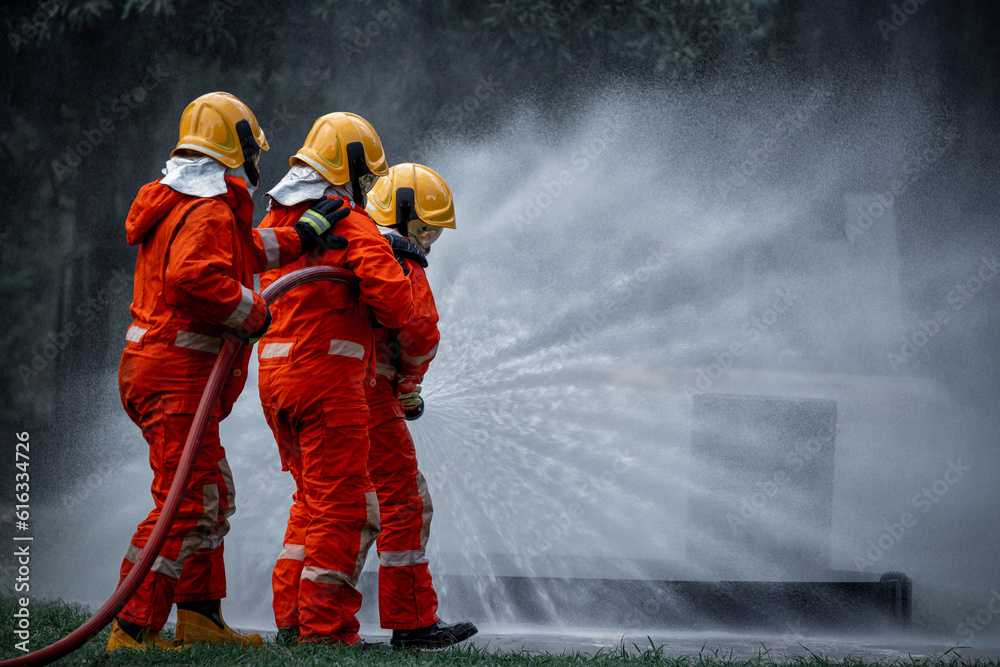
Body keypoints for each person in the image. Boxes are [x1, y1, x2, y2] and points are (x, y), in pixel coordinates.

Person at [110, 92, 350, 651]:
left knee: (208, 493)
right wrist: (254, 310)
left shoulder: (181, 199)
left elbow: (236, 252)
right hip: (175, 376)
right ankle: (129, 628)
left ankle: (199, 619)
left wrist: (301, 237)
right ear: (237, 146)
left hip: (162, 371)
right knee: (188, 502)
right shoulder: (211, 206)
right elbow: (194, 278)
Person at [257, 112, 413, 646]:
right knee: (345, 506)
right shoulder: (346, 219)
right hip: (327, 383)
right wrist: (391, 256)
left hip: (275, 380)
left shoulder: (278, 218)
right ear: (347, 167)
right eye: (365, 175)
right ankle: (326, 631)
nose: (366, 188)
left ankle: (293, 622)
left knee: (311, 502)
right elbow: (396, 304)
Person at [364, 163, 478, 649]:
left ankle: (305, 622)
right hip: (370, 396)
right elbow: (420, 332)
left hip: (326, 389)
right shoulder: (401, 260)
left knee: (329, 505)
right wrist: (408, 387)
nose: (432, 238)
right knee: (406, 503)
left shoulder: (352, 248)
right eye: (427, 227)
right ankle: (411, 624)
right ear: (404, 216)